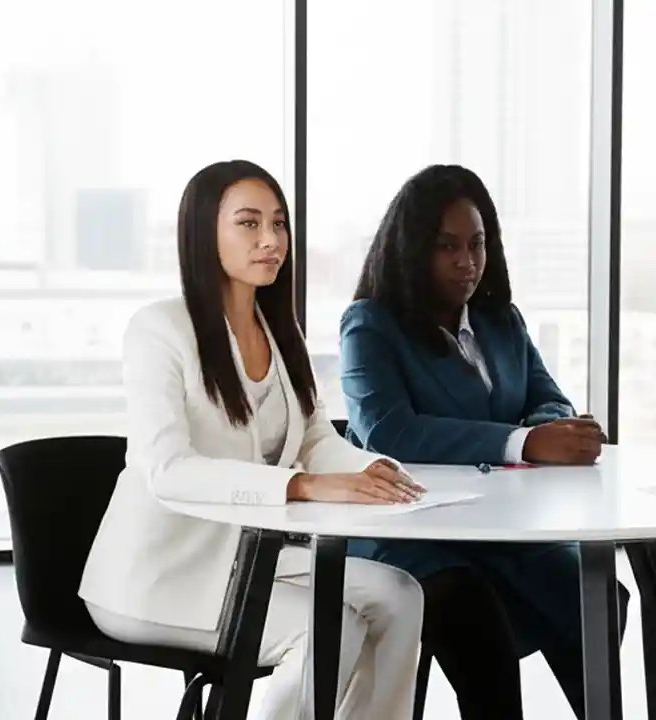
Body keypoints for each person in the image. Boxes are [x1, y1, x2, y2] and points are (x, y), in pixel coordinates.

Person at [80, 159, 425, 719]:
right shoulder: (159, 330)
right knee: (328, 631)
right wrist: (304, 486)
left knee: (400, 596)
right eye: (248, 223)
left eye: (279, 223)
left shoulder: (278, 331)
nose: (271, 240)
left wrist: (372, 470)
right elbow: (168, 468)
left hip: (252, 558)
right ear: (203, 232)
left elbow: (314, 439)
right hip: (160, 576)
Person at [338, 164, 628, 718]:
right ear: (411, 248)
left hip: (500, 531)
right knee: (475, 617)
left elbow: (548, 398)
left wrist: (550, 427)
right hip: (409, 537)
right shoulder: (370, 325)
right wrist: (523, 443)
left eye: (476, 244)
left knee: (596, 595)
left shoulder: (501, 321)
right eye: (446, 246)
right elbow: (388, 430)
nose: (466, 262)